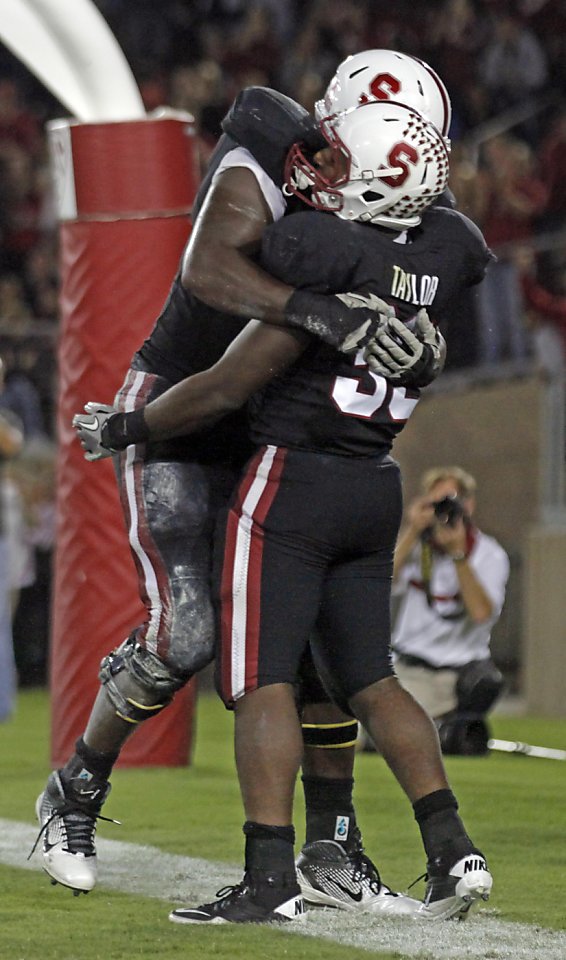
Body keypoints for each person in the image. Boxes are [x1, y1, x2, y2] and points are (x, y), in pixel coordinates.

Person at [34, 57, 448, 912]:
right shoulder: (265, 140)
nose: (327, 168)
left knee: (312, 647)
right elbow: (209, 270)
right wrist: (318, 310)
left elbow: (420, 294)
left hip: (275, 427)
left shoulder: (410, 210)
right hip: (184, 402)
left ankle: (333, 848)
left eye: (349, 159)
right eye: (327, 147)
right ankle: (75, 791)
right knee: (184, 634)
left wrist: (431, 340)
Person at [389, 466, 509, 756]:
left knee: (395, 732)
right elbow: (378, 582)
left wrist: (458, 554)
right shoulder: (417, 548)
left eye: (450, 502)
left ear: (468, 505)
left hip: (452, 674)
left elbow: (481, 613)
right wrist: (412, 530)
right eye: (435, 503)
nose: (442, 512)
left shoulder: (489, 554)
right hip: (405, 667)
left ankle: (439, 729)